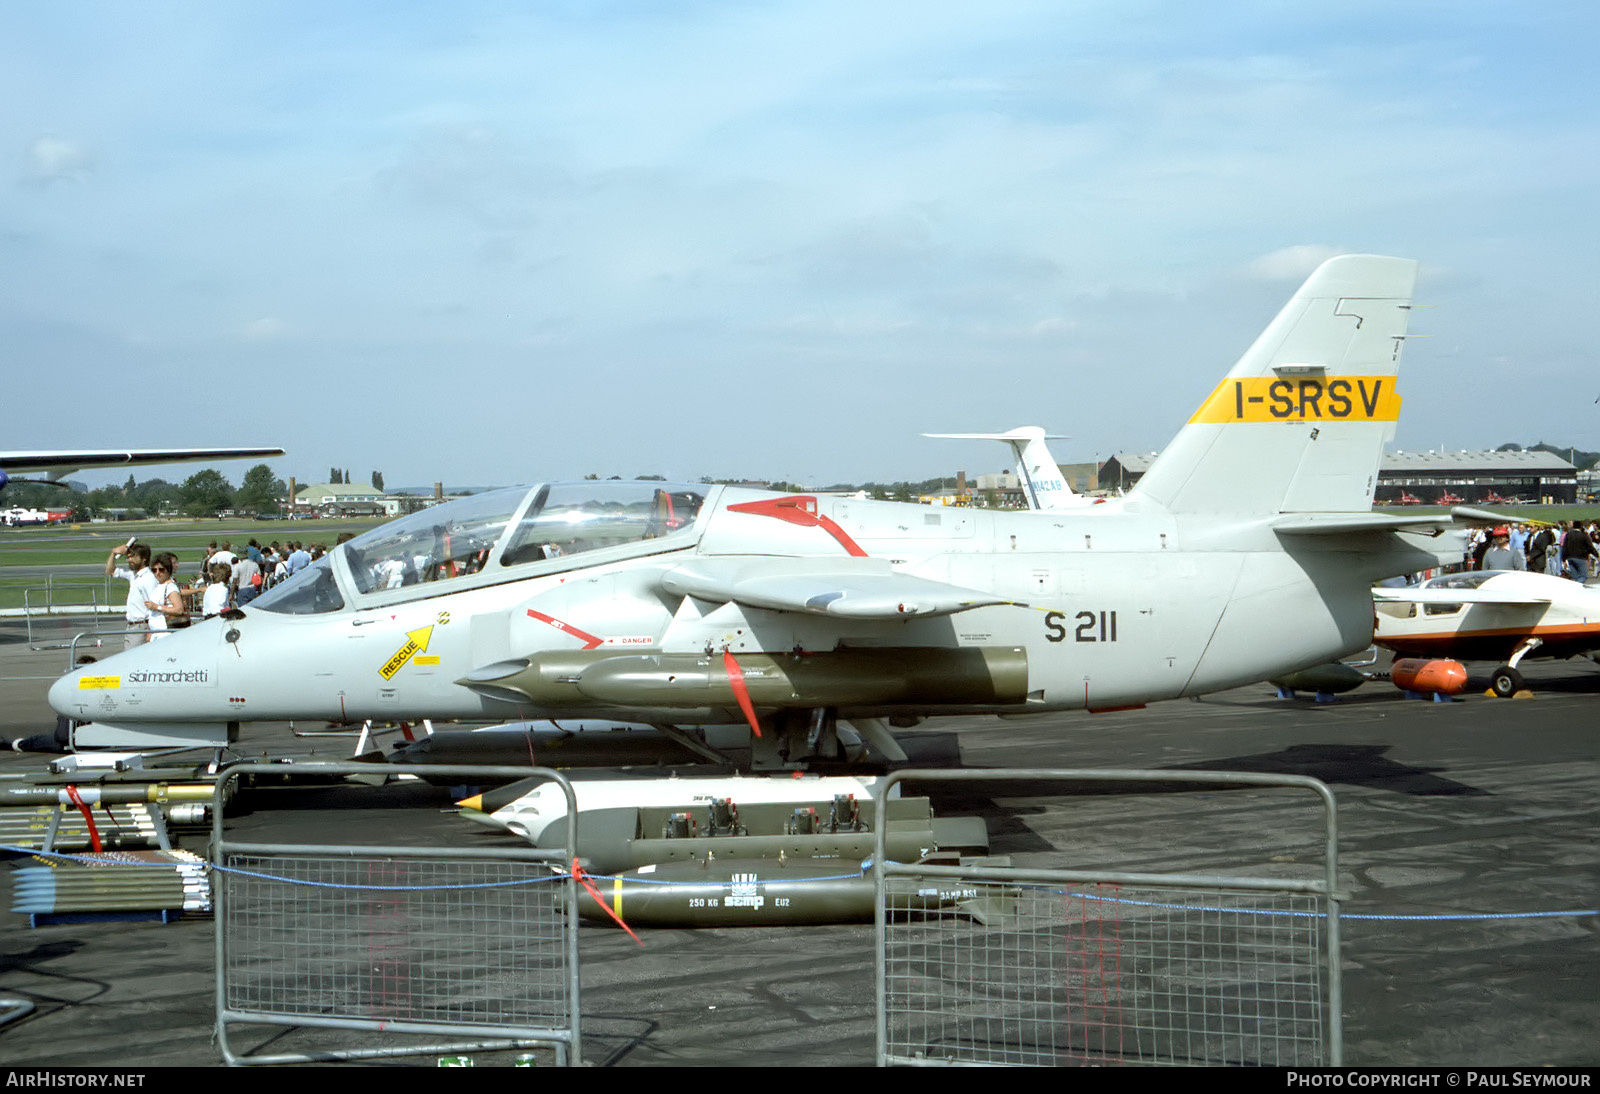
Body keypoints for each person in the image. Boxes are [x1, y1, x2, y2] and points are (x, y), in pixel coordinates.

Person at [106, 541, 158, 647]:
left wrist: (150, 631)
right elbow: (110, 570)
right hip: (132, 626)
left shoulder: (149, 578)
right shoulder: (133, 575)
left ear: (144, 558)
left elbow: (154, 605)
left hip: (142, 626)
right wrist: (113, 553)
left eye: (133, 557)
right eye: (128, 557)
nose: (129, 560)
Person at [144, 557, 187, 638]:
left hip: (166, 631)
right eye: (154, 570)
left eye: (161, 570)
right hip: (155, 631)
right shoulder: (158, 586)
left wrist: (157, 607)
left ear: (168, 570)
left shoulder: (170, 587)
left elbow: (179, 609)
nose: (158, 573)